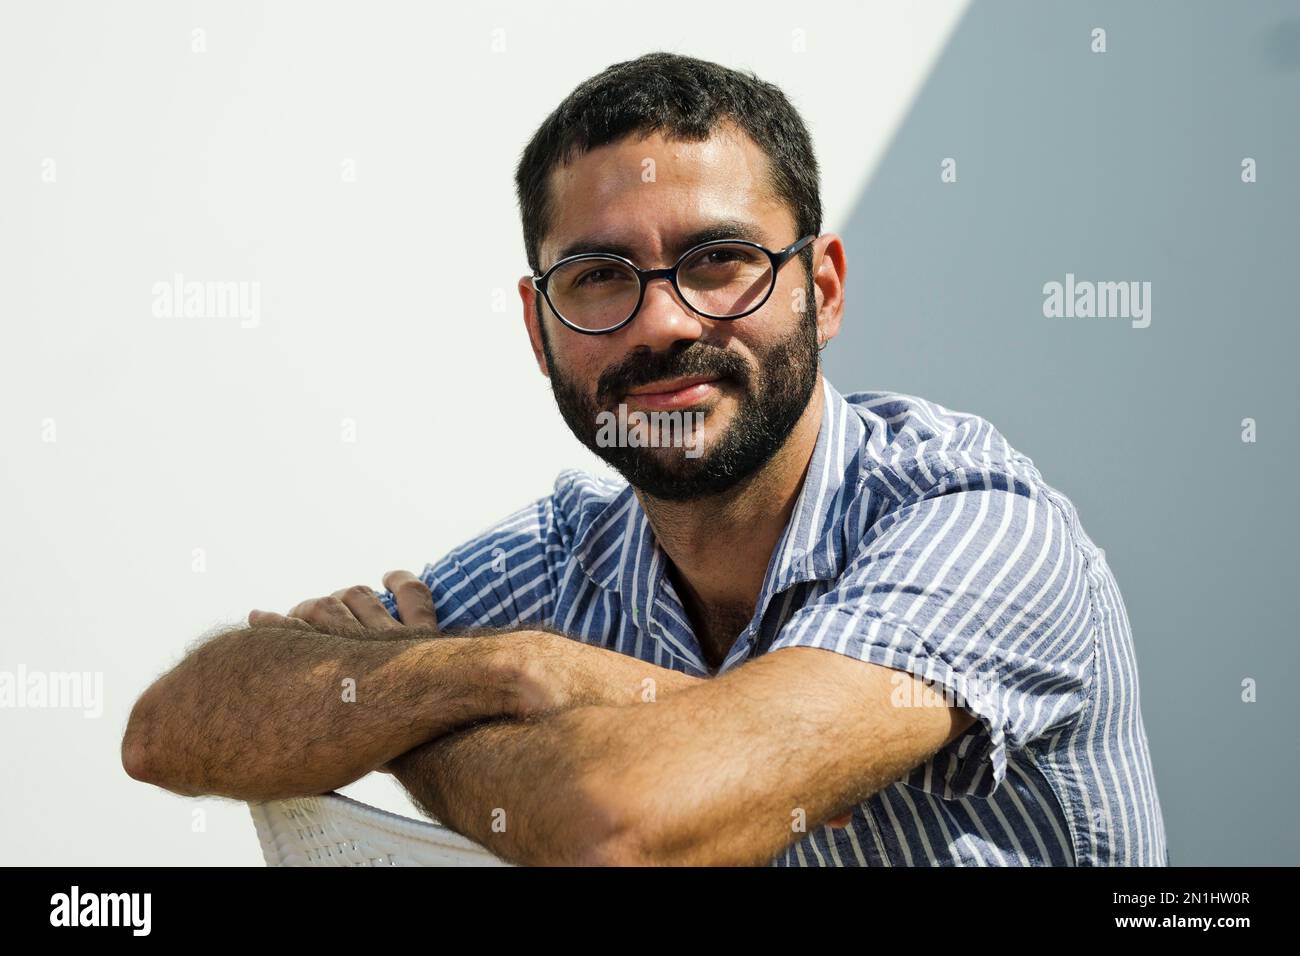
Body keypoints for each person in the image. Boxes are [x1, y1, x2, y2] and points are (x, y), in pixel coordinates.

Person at [123, 52, 1166, 867]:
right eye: (598, 277)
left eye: (720, 261)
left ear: (824, 289)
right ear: (538, 332)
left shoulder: (980, 528)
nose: (663, 322)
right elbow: (173, 729)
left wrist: (398, 714)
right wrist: (508, 668)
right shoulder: (559, 560)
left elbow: (621, 832)